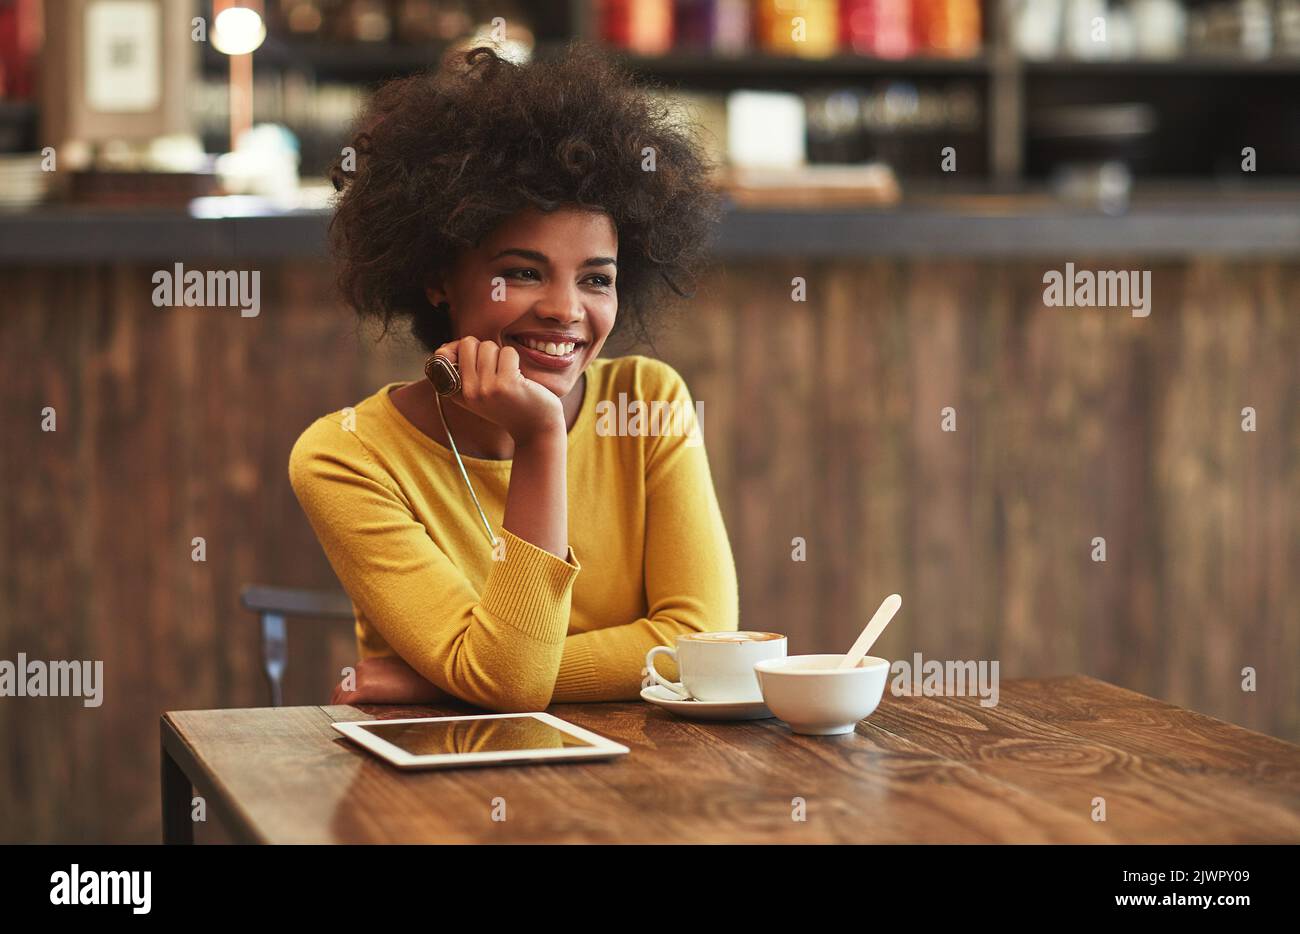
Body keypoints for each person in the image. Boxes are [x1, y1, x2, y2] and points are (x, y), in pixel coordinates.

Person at [288, 42, 738, 712]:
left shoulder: (649, 402)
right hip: (438, 793)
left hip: (648, 788)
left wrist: (445, 680)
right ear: (438, 277)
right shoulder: (348, 455)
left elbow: (702, 644)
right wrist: (540, 439)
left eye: (596, 280)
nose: (565, 310)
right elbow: (509, 686)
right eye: (524, 272)